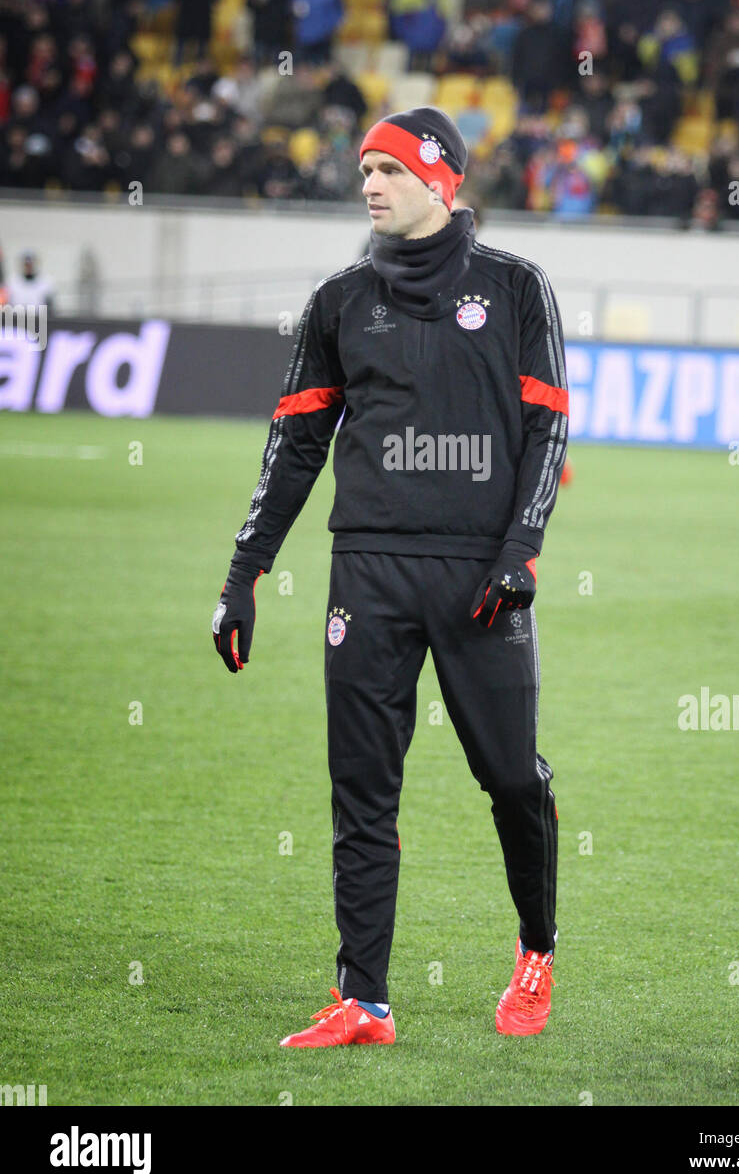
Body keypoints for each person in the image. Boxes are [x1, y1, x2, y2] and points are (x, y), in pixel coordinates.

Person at [212, 106, 568, 1045]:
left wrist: (519, 552)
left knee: (510, 780)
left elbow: (548, 430)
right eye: (365, 167)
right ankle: (364, 999)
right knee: (362, 790)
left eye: (390, 169)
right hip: (365, 573)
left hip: (480, 580)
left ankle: (537, 948)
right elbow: (294, 446)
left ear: (440, 181)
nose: (369, 182)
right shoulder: (338, 301)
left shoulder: (518, 288)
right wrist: (245, 573)